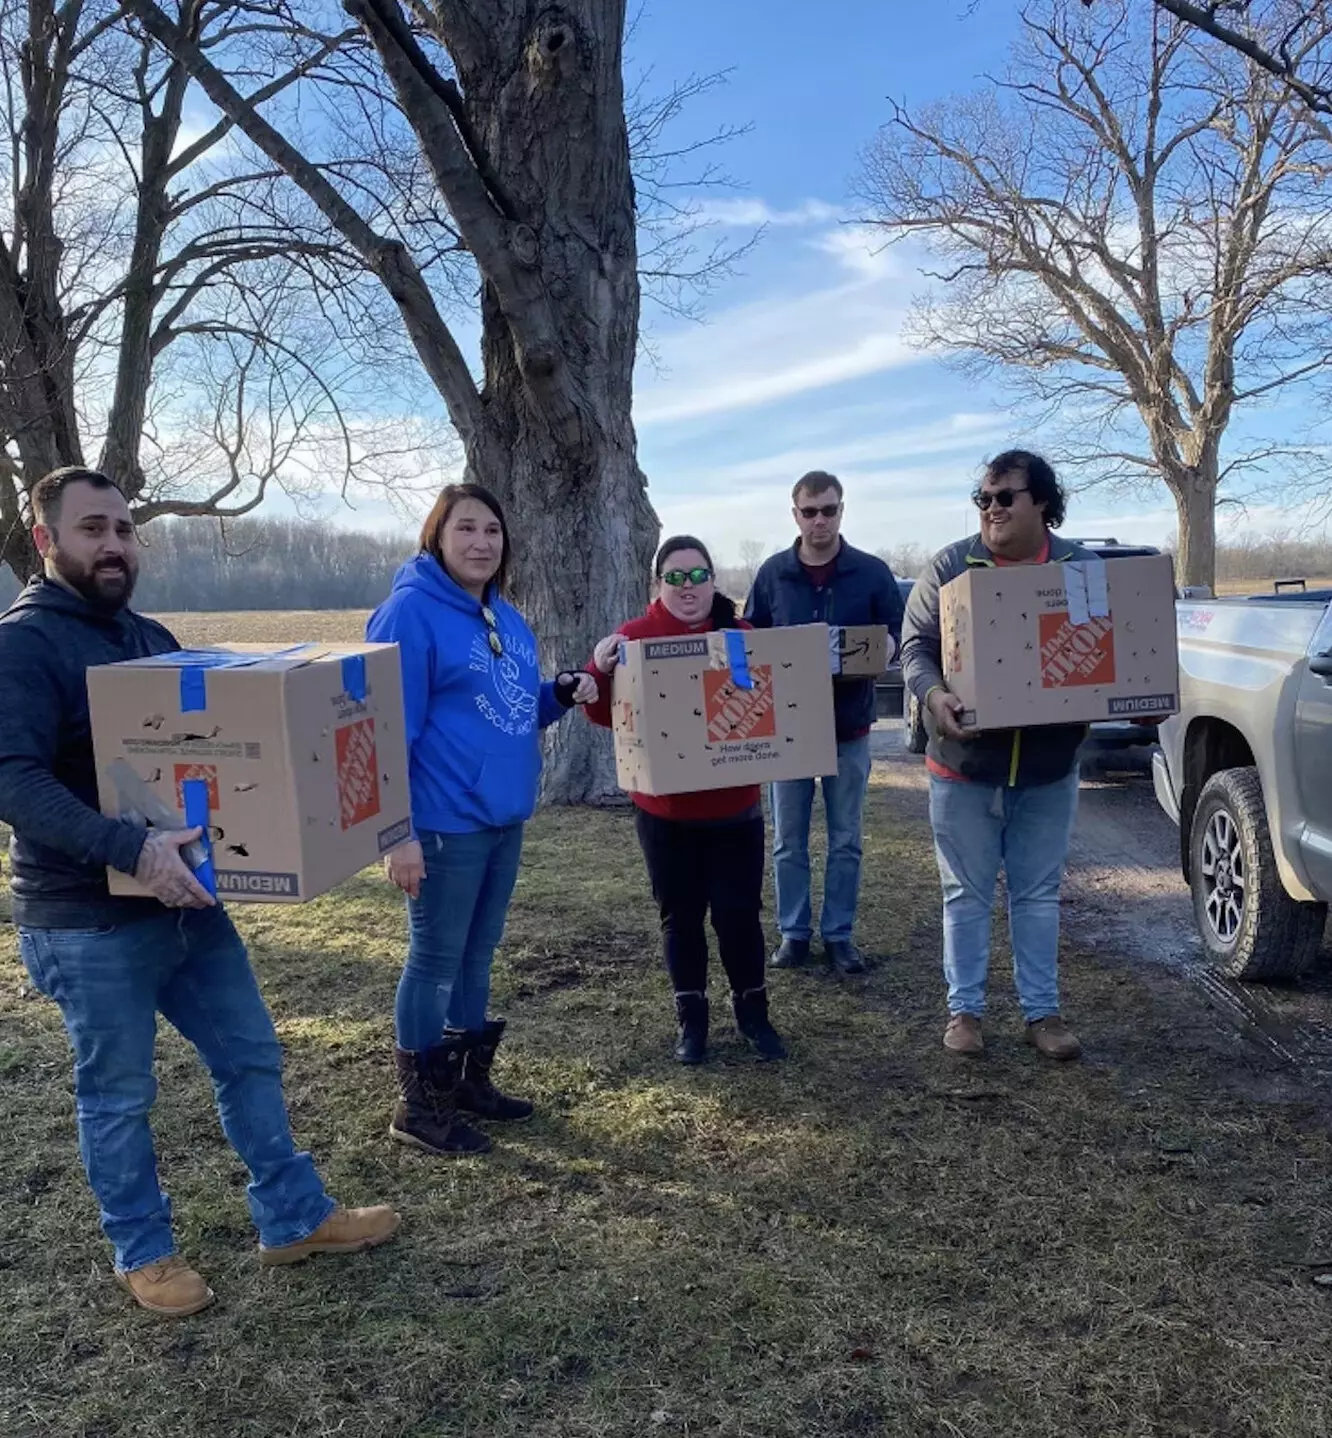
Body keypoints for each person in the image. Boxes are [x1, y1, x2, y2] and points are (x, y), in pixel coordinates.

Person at [0, 467, 400, 1320]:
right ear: (47, 540)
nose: (113, 545)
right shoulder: (23, 644)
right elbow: (12, 778)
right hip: (86, 918)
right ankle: (142, 1251)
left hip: (185, 901)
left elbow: (214, 763)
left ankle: (293, 1217)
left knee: (250, 1053)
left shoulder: (151, 638)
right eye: (91, 529)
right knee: (119, 1095)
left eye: (123, 529)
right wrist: (129, 850)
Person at [367, 483, 597, 1158]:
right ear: (436, 536)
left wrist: (556, 693)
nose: (480, 543)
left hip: (501, 819)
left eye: (492, 531)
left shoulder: (503, 615)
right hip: (442, 822)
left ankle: (465, 1084)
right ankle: (419, 1107)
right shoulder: (410, 614)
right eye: (465, 529)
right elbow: (385, 733)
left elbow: (512, 709)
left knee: (477, 952)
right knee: (435, 958)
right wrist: (397, 833)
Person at [900, 450, 1091, 1061]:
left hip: (1047, 768)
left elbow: (1109, 651)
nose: (992, 509)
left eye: (1005, 497)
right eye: (983, 499)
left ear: (1041, 502)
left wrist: (1138, 697)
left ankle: (1043, 1014)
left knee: (1036, 895)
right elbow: (915, 648)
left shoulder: (1078, 571)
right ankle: (965, 1013)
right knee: (966, 895)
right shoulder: (953, 567)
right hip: (964, 767)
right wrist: (933, 696)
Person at [583, 536, 786, 1065]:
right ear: (657, 585)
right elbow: (603, 714)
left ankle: (753, 1014)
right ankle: (691, 1022)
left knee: (739, 915)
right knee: (681, 917)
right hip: (666, 814)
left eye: (698, 576)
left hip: (735, 809)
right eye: (675, 577)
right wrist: (600, 669)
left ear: (713, 581)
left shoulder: (740, 638)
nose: (688, 587)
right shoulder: (634, 638)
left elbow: (774, 705)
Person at [745, 471, 904, 974]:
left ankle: (839, 935)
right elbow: (749, 642)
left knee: (846, 838)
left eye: (829, 510)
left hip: (849, 725)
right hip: (788, 732)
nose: (820, 521)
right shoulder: (773, 574)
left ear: (841, 511)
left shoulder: (872, 573)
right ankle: (794, 933)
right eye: (810, 511)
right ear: (795, 515)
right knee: (788, 840)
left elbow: (898, 636)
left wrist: (884, 650)